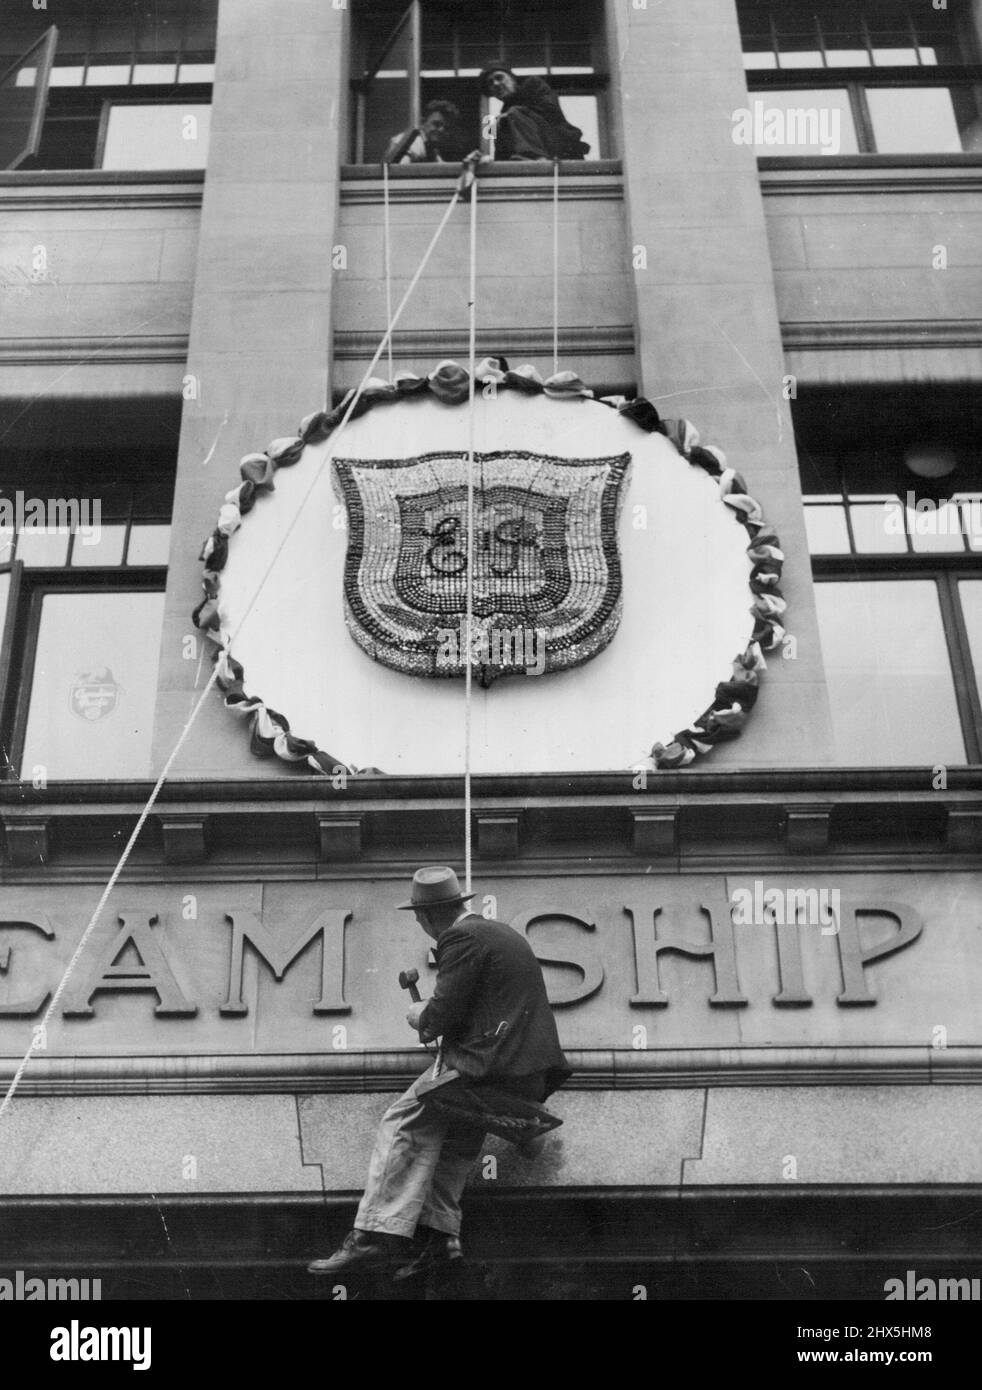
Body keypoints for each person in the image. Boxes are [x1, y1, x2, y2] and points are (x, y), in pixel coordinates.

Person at [307, 865, 570, 1279]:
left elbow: (441, 1015)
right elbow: (485, 1004)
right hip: (528, 1073)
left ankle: (373, 1235)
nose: (419, 923)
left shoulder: (459, 937)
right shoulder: (503, 935)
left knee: (403, 1123)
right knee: (455, 1138)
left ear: (429, 915)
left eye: (417, 916)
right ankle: (442, 1241)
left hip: (485, 1065)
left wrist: (420, 1016)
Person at [478, 62, 589, 161]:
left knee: (511, 114)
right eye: (490, 83)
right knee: (499, 122)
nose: (495, 84)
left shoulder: (533, 85)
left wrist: (513, 114)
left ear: (512, 79)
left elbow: (550, 111)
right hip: (535, 156)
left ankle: (534, 158)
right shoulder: (503, 115)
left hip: (559, 147)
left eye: (499, 77)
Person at [382, 99, 459, 164]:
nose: (442, 130)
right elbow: (400, 173)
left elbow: (443, 169)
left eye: (447, 128)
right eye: (436, 124)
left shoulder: (431, 147)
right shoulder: (412, 142)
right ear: (422, 122)